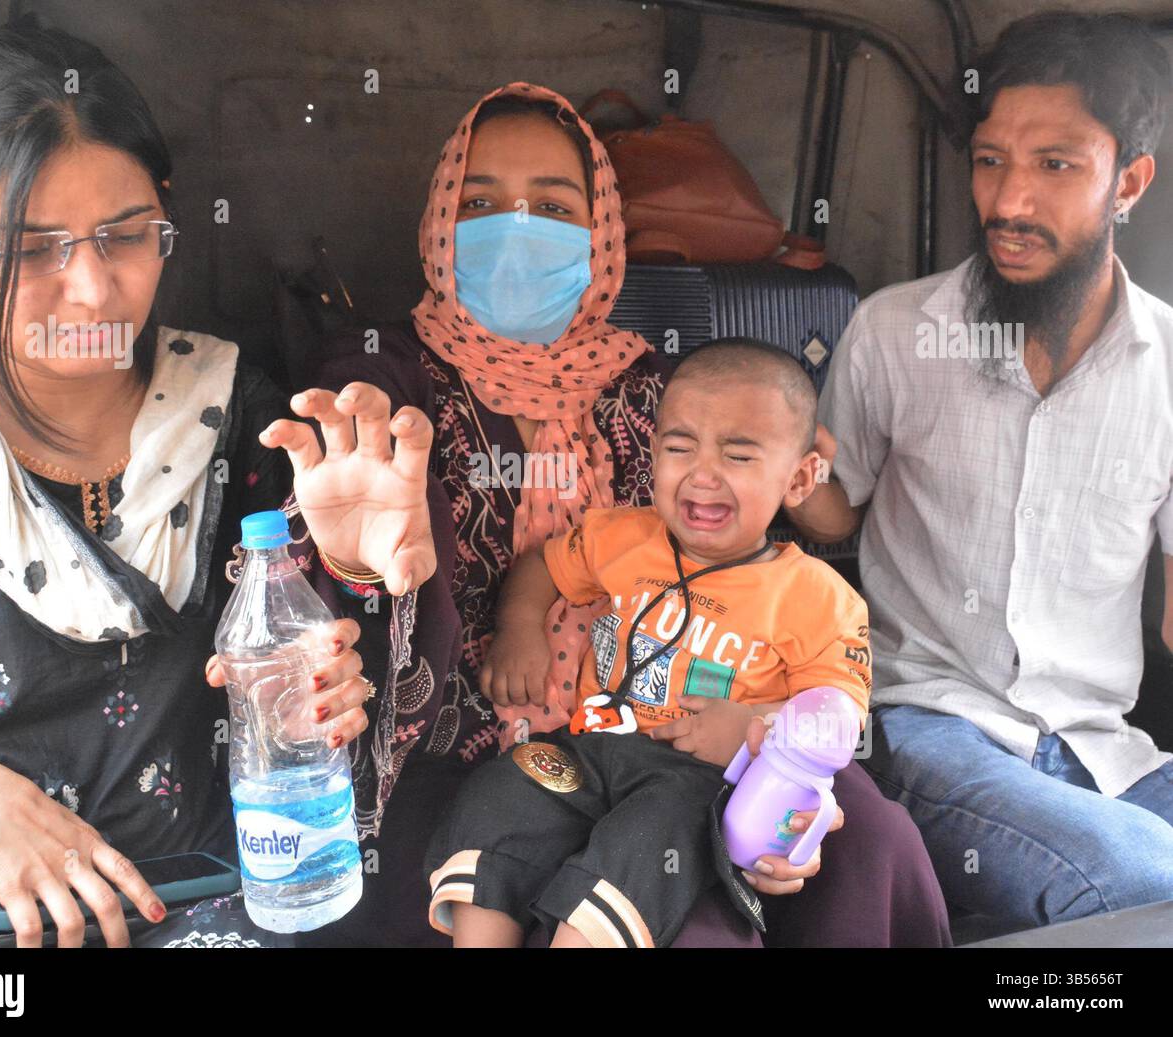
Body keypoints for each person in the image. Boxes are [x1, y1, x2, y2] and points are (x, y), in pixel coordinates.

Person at [264, 83, 951, 946]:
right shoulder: (385, 375)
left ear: (600, 233)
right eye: (480, 203)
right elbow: (326, 555)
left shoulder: (659, 387)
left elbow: (803, 532)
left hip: (688, 722)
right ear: (439, 223)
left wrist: (774, 748)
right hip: (463, 730)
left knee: (865, 836)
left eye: (552, 206)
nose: (516, 227)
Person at [0, 23, 370, 948]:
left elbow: (313, 689)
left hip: (202, 906)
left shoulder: (236, 414)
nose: (94, 292)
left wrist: (353, 615)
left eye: (125, 236)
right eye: (30, 251)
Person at [787, 12, 1173, 930]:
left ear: (1130, 181)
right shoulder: (892, 331)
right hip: (928, 729)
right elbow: (841, 519)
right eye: (990, 159)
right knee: (1147, 885)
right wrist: (798, 486)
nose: (1007, 202)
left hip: (1108, 749)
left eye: (1055, 165)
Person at [424, 339, 874, 948]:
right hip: (590, 748)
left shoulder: (820, 597)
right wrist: (520, 628)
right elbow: (543, 567)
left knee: (650, 838)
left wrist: (756, 725)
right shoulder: (621, 537)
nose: (702, 475)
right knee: (505, 787)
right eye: (678, 447)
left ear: (796, 478)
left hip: (699, 779)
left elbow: (838, 717)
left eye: (738, 456)